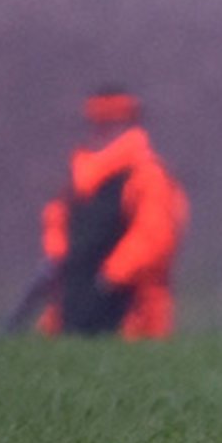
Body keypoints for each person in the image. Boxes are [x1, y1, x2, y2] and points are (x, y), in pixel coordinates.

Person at [37, 86, 189, 339]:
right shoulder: (78, 180)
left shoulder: (146, 175)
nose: (100, 131)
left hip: (133, 316)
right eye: (97, 123)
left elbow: (155, 238)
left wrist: (109, 277)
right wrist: (60, 261)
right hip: (74, 307)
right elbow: (57, 222)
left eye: (109, 123)